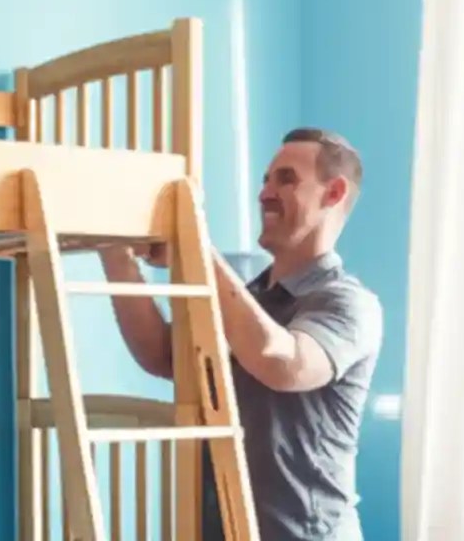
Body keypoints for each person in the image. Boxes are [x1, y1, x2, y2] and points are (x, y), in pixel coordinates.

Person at [99, 127, 383, 540]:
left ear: (333, 193)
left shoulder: (349, 304)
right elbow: (162, 354)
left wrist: (194, 250)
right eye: (265, 179)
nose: (265, 192)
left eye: (286, 179)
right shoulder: (246, 298)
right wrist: (117, 254)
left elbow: (283, 364)